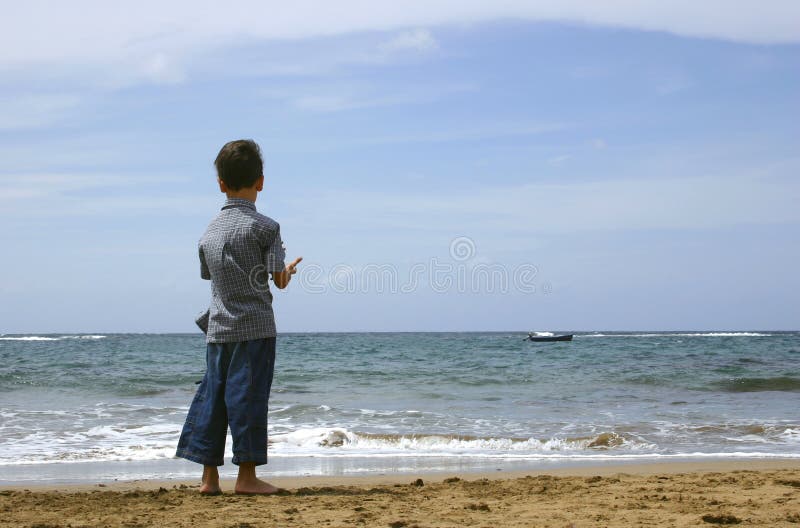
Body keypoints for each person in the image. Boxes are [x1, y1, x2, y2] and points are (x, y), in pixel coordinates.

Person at [176, 139, 302, 495]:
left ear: (220, 183)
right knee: (248, 399)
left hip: (218, 329)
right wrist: (287, 270)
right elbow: (278, 281)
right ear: (260, 181)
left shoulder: (208, 232)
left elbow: (211, 278)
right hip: (255, 328)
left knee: (212, 399)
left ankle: (208, 479)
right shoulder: (267, 228)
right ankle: (246, 478)